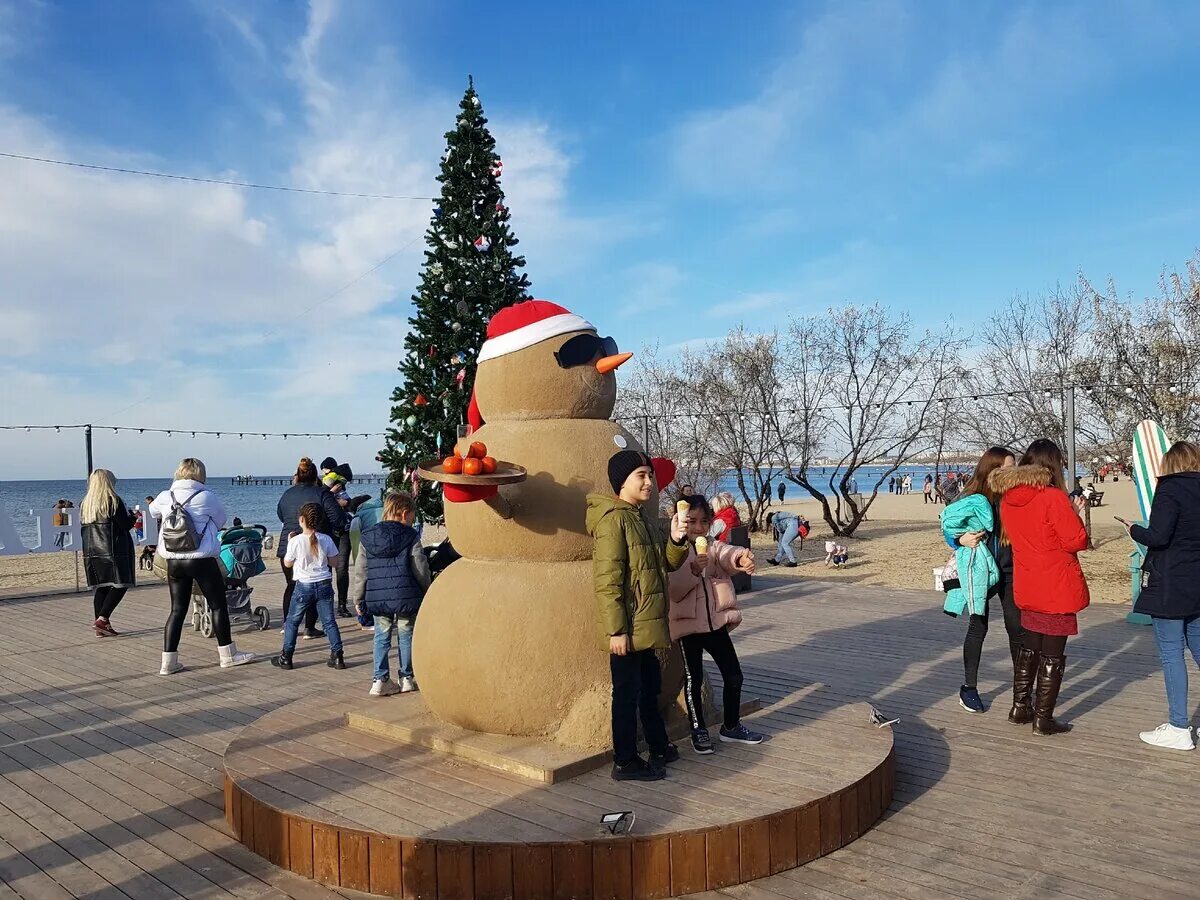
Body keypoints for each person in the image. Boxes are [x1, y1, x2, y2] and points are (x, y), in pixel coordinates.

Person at [587, 450, 689, 782]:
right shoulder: (613, 521)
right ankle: (625, 761)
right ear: (622, 481)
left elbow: (666, 563)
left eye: (650, 475)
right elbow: (608, 581)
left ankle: (658, 745)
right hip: (628, 628)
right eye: (640, 475)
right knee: (627, 694)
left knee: (649, 688)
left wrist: (676, 539)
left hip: (645, 625)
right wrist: (616, 630)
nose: (649, 481)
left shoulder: (640, 517)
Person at [992, 439, 1089, 736]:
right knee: (1052, 653)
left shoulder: (1009, 499)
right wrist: (1073, 512)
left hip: (1028, 581)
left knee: (1030, 646)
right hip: (1056, 583)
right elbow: (1076, 540)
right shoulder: (1053, 498)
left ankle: (1020, 706)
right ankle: (1043, 718)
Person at [669, 494, 763, 754]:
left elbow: (726, 553)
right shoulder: (674, 552)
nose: (698, 527)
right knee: (693, 679)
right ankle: (697, 728)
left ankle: (731, 726)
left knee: (734, 675)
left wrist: (742, 558)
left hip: (715, 623)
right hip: (689, 626)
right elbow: (674, 590)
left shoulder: (712, 546)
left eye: (704, 521)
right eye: (692, 521)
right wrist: (693, 571)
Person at [1124, 441, 1200, 750]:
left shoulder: (1169, 489)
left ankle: (1178, 727)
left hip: (1171, 582)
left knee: (1171, 654)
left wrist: (1133, 529)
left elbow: (1158, 536)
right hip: (1197, 581)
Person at [150, 458, 254, 674]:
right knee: (218, 605)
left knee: (177, 610)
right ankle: (228, 655)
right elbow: (221, 520)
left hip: (174, 560)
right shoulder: (206, 496)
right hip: (201, 559)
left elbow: (153, 512)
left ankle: (168, 662)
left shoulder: (165, 496)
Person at [941, 447, 1021, 714]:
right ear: (992, 470)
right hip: (980, 570)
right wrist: (959, 539)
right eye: (1008, 467)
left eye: (1015, 467)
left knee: (1016, 627)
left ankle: (1021, 689)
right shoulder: (972, 496)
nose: (1013, 472)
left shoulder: (1016, 496)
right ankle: (969, 688)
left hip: (1009, 570)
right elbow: (949, 524)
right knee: (978, 626)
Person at [351, 492, 431, 696]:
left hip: (378, 596)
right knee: (406, 634)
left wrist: (358, 597)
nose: (413, 520)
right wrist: (427, 589)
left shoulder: (368, 536)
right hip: (406, 594)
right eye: (412, 515)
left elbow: (361, 570)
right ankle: (407, 678)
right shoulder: (410, 536)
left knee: (381, 636)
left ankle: (380, 679)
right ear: (404, 513)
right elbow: (420, 566)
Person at [277, 458, 347, 639]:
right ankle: (309, 627)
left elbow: (281, 515)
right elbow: (338, 519)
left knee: (292, 585)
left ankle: (287, 624)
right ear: (316, 476)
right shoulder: (322, 493)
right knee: (316, 583)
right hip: (317, 544)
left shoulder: (287, 494)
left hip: (289, 543)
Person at [272, 502, 345, 670]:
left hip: (304, 585)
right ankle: (338, 655)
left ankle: (286, 656)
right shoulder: (326, 539)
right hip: (324, 583)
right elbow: (334, 562)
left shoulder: (296, 541)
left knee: (292, 622)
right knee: (329, 622)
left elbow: (288, 563)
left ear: (301, 520)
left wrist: (290, 542)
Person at [80, 468, 136, 637]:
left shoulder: (86, 503)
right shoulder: (112, 501)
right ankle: (103, 618)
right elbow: (125, 525)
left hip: (93, 550)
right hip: (113, 549)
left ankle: (101, 626)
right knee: (122, 583)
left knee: (102, 586)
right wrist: (133, 517)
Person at [323, 471, 354, 617]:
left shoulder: (342, 492)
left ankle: (342, 604)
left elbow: (349, 505)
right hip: (329, 532)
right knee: (326, 569)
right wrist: (331, 494)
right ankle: (327, 604)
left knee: (341, 568)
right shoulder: (324, 491)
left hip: (343, 532)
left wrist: (345, 503)